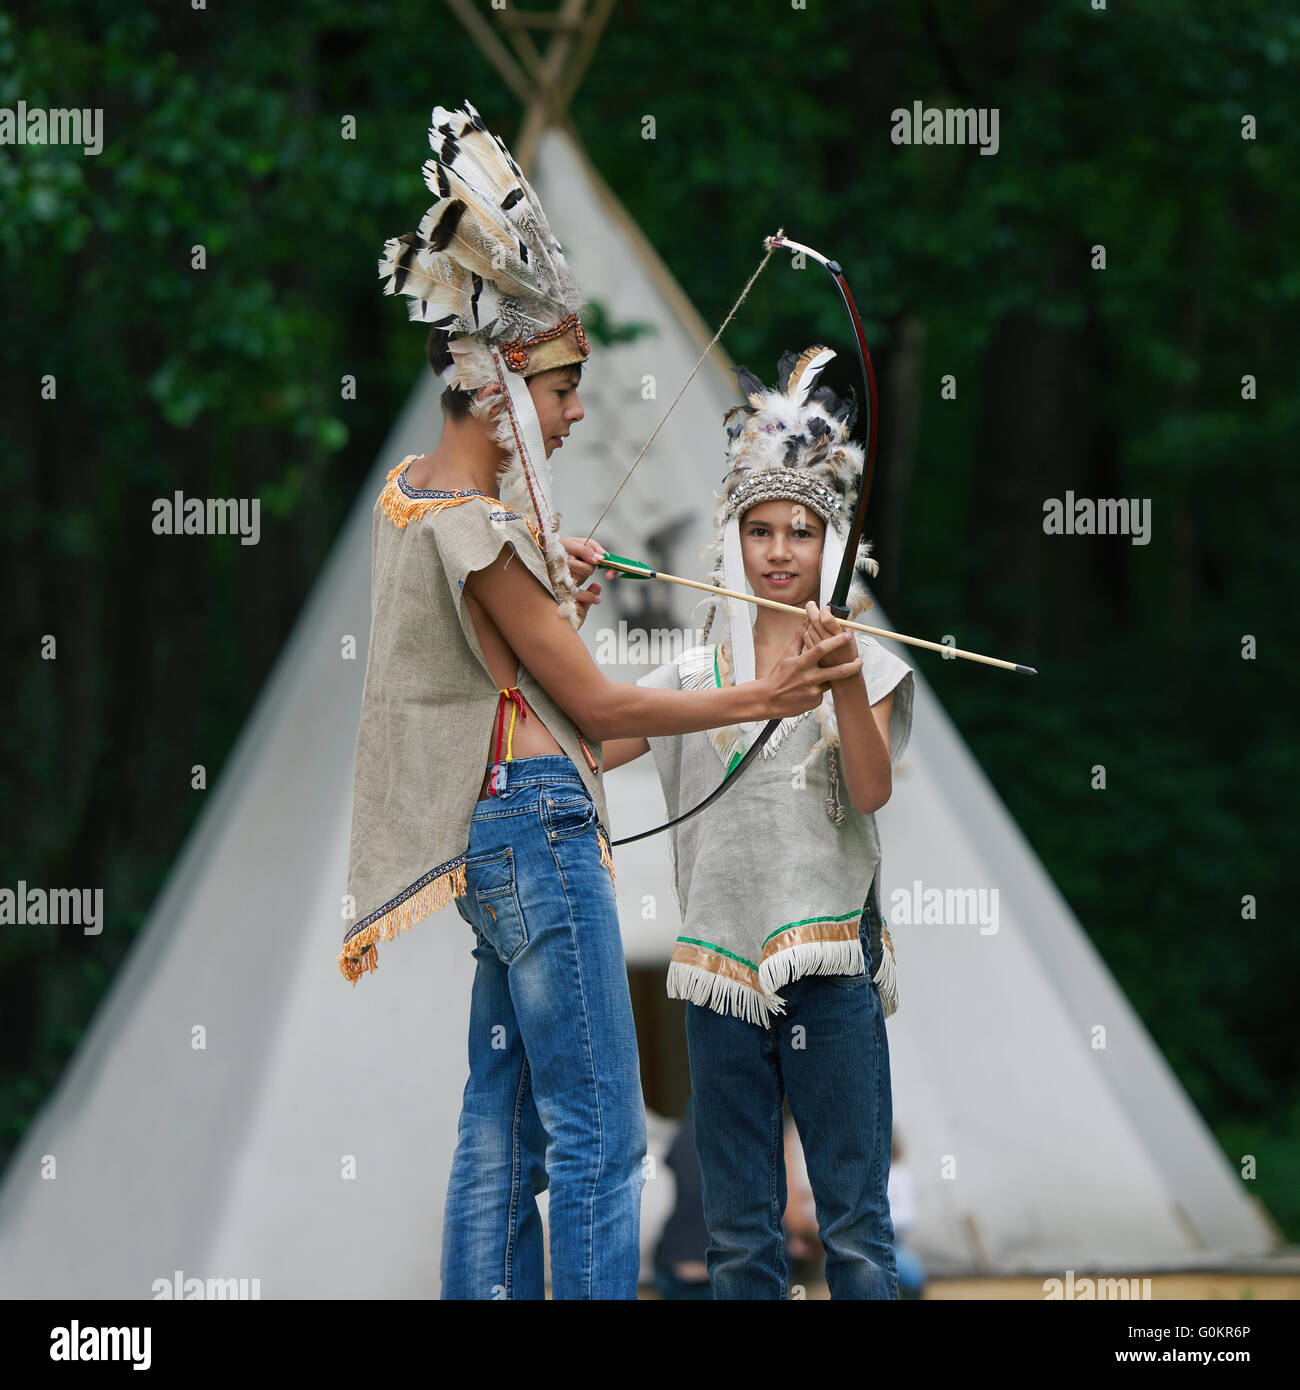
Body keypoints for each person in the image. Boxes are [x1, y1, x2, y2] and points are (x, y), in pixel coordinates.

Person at [338, 103, 864, 1301]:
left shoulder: (418, 497)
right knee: (600, 1136)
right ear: (502, 384)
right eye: (564, 387)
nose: (577, 412)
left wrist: (545, 568)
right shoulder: (477, 526)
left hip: (498, 833)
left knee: (500, 1130)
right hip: (538, 834)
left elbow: (535, 679)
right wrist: (757, 697)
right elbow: (587, 693)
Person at [603, 345, 916, 1299]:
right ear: (732, 540)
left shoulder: (864, 657)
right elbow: (599, 735)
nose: (780, 552)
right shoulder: (695, 677)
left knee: (855, 1227)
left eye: (802, 533)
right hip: (717, 978)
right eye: (762, 531)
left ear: (831, 547)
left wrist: (846, 681)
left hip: (828, 969)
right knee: (741, 1235)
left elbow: (869, 790)